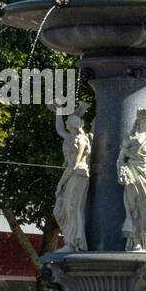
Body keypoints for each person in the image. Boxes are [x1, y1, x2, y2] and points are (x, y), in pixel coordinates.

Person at [118, 107, 146, 251]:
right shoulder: (130, 138)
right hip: (134, 171)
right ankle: (137, 241)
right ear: (140, 119)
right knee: (136, 207)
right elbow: (120, 159)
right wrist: (121, 172)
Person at [53, 101, 92, 252]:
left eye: (68, 119)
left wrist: (60, 183)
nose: (66, 120)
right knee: (66, 208)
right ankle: (70, 241)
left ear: (74, 124)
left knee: (73, 208)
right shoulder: (69, 137)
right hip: (73, 176)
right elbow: (59, 129)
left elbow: (74, 164)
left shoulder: (80, 140)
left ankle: (76, 243)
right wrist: (58, 111)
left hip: (78, 175)